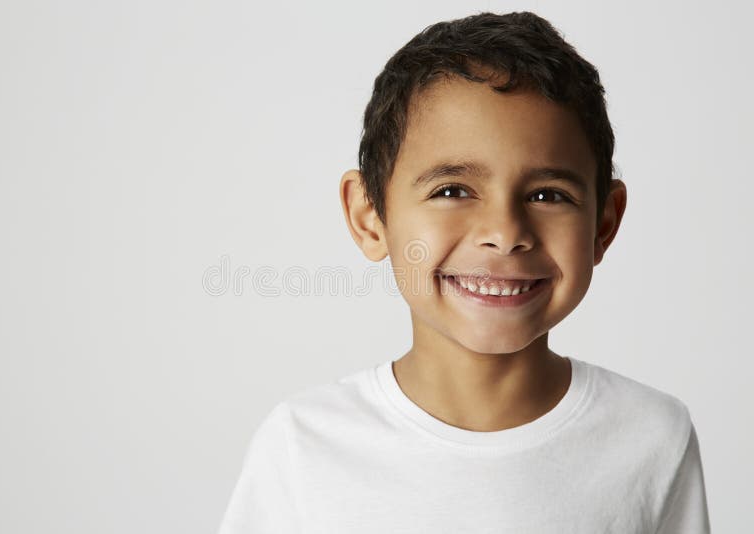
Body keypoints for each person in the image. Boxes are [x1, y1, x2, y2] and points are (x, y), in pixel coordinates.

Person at [217, 10, 710, 533]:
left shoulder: (653, 436)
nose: (504, 231)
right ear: (369, 217)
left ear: (603, 223)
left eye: (548, 195)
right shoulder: (302, 446)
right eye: (451, 191)